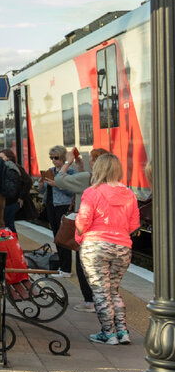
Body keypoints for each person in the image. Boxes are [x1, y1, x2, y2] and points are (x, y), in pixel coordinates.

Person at [75, 152, 140, 345]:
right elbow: (134, 225)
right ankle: (123, 332)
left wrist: (79, 231)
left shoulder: (92, 192)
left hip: (95, 247)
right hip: (122, 248)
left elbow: (82, 221)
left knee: (101, 291)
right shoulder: (129, 194)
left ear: (98, 170)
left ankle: (108, 333)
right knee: (113, 290)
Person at [53, 147, 109, 313]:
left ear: (96, 162)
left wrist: (68, 162)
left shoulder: (87, 179)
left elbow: (60, 180)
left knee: (83, 264)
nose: (90, 160)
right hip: (104, 229)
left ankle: (90, 302)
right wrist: (81, 168)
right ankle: (102, 299)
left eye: (92, 158)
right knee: (101, 267)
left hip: (86, 229)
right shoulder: (108, 180)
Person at [42, 145, 81, 277]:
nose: (53, 160)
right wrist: (41, 185)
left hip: (63, 206)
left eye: (56, 158)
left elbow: (73, 191)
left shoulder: (70, 172)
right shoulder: (51, 171)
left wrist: (57, 184)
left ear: (63, 158)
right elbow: (45, 191)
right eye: (51, 158)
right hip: (51, 206)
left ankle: (66, 269)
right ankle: (62, 266)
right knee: (57, 237)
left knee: (64, 237)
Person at [0, 148, 23, 232]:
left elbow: (11, 187)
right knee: (8, 224)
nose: (0, 159)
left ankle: (13, 244)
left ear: (8, 158)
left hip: (9, 202)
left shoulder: (10, 168)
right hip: (10, 201)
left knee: (8, 224)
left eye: (2, 157)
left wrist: (21, 197)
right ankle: (12, 244)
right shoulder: (10, 167)